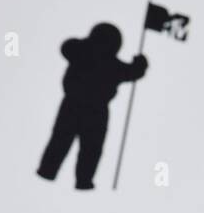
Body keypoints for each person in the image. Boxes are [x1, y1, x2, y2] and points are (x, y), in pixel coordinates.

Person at [36, 22, 149, 190]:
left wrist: (140, 65)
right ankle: (69, 176)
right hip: (86, 107)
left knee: (80, 145)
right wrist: (140, 65)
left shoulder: (90, 55)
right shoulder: (94, 57)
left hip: (83, 106)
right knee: (78, 145)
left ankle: (64, 174)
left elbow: (132, 72)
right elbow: (132, 72)